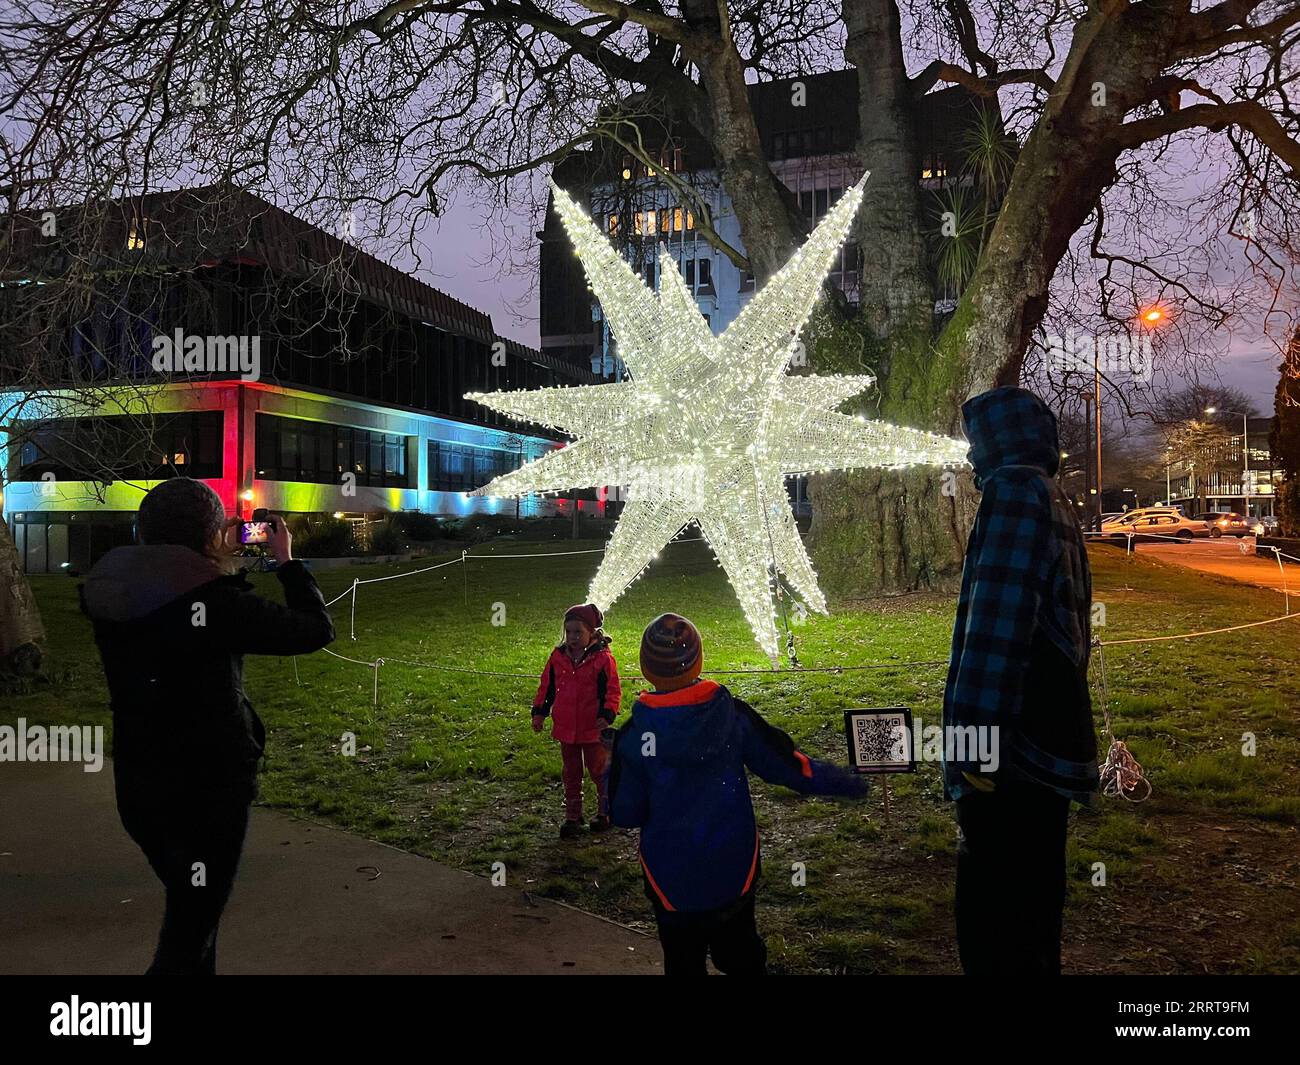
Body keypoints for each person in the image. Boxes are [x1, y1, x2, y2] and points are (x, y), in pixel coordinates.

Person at [80, 478, 335, 974]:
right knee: (187, 934)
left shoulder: (110, 591)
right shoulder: (215, 603)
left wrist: (214, 557)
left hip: (139, 782)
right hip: (207, 786)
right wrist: (285, 560)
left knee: (194, 913)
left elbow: (168, 592)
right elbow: (313, 629)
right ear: (214, 533)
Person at [609, 612, 869, 976]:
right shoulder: (732, 716)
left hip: (670, 877)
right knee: (742, 956)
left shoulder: (633, 737)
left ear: (645, 668)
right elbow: (786, 766)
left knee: (682, 962)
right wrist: (842, 781)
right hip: (733, 867)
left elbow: (624, 813)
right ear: (698, 660)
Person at [944, 386, 1099, 976]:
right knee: (1035, 910)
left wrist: (969, 761)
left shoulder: (1011, 493)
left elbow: (994, 638)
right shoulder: (1052, 494)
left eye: (976, 443)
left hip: (1013, 755)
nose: (970, 457)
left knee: (993, 921)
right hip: (1052, 743)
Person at [531, 603, 622, 839]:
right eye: (568, 632)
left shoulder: (602, 660)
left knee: (598, 770)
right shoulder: (558, 657)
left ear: (591, 632)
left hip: (593, 727)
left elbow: (612, 689)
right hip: (566, 727)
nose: (572, 637)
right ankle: (573, 815)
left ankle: (606, 812)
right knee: (571, 772)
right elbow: (547, 687)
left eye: (577, 632)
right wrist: (539, 712)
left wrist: (607, 713)